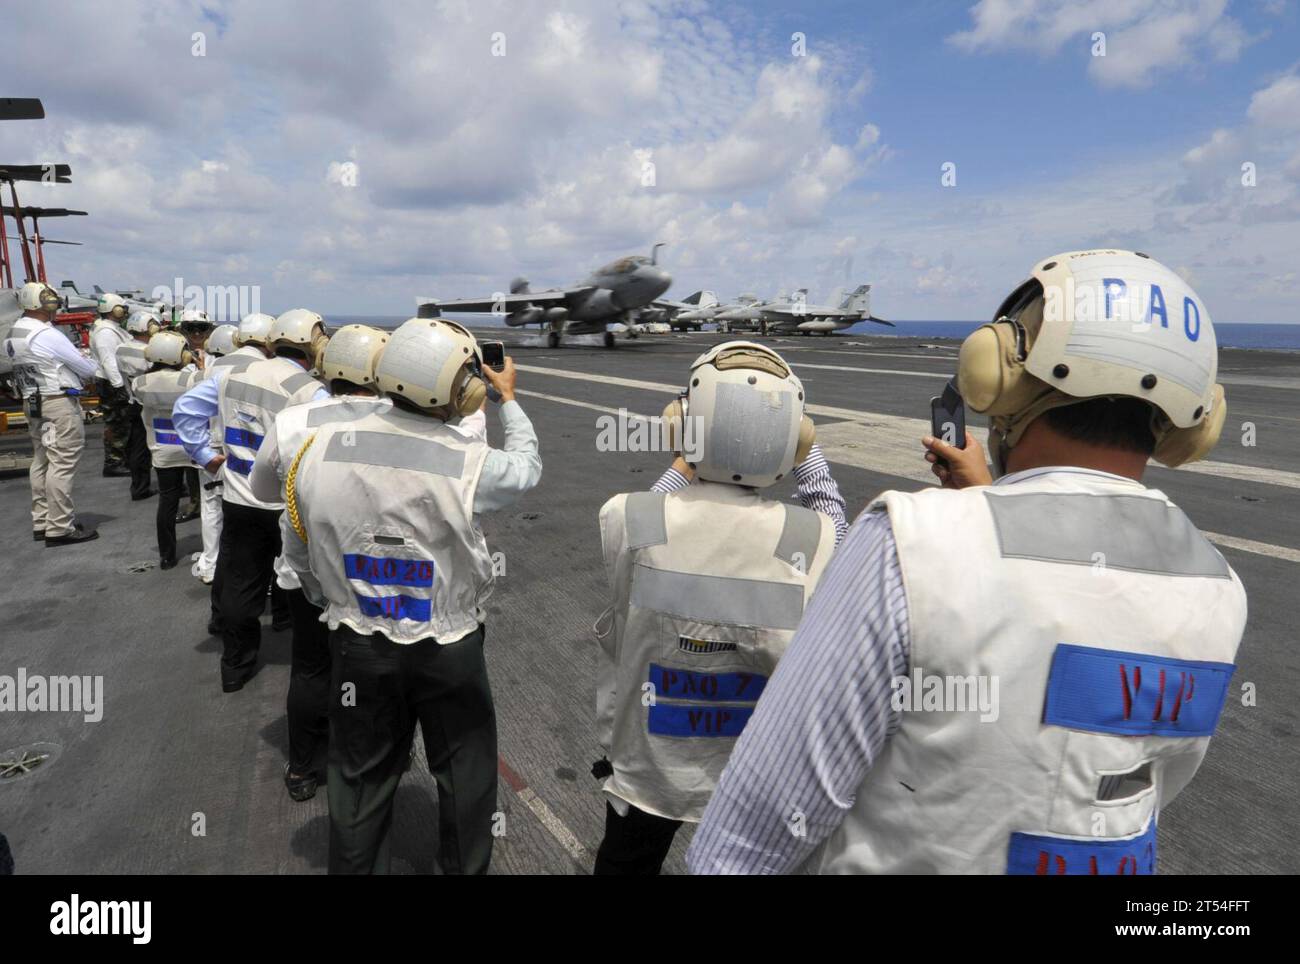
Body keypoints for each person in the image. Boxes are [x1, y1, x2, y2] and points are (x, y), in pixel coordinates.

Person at [687, 250, 1249, 875]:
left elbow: (763, 819)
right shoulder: (1220, 585)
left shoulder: (911, 541)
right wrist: (983, 504)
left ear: (1000, 371)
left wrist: (969, 515)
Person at [284, 317, 540, 874]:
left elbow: (297, 548)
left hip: (356, 644)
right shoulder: (467, 460)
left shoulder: (314, 448)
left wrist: (338, 605)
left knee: (357, 775)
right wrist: (508, 399)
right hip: (448, 648)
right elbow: (526, 470)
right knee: (466, 769)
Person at [593, 341, 845, 875]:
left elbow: (651, 505)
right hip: (750, 765)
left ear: (685, 427)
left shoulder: (629, 519)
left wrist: (684, 463)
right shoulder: (813, 537)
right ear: (791, 443)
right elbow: (829, 510)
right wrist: (807, 450)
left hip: (649, 760)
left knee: (626, 862)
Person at [248, 323, 392, 803]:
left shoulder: (294, 421)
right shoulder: (399, 423)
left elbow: (263, 490)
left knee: (310, 670)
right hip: (371, 577)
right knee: (373, 675)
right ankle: (370, 760)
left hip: (305, 572)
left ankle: (304, 768)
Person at [173, 309, 327, 692]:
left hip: (239, 499)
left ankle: (235, 668)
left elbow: (185, 411)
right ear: (313, 344)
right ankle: (306, 664)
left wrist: (207, 458)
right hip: (288, 507)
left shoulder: (229, 374)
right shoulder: (310, 389)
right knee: (305, 586)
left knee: (241, 587)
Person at [3, 281, 99, 545]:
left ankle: (42, 521)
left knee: (43, 459)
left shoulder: (14, 333)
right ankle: (59, 528)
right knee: (62, 463)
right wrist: (94, 361)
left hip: (34, 404)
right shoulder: (47, 333)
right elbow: (87, 369)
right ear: (41, 303)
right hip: (57, 404)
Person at [188, 316, 273, 586]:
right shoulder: (263, 369)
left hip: (211, 448)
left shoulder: (202, 372)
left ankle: (211, 564)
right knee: (255, 507)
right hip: (246, 447)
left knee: (212, 506)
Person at [131, 331, 201, 569]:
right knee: (207, 500)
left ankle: (167, 555)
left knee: (167, 501)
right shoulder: (190, 380)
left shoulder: (139, 383)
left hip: (162, 449)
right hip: (192, 447)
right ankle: (212, 551)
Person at [115, 310, 162, 501]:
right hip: (152, 404)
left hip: (133, 401)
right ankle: (173, 484)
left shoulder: (120, 349)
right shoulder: (148, 352)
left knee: (138, 448)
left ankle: (139, 487)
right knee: (163, 446)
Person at [175, 308, 215, 525]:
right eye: (191, 329)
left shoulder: (218, 355)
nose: (197, 334)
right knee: (191, 465)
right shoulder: (174, 356)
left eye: (201, 329)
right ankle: (194, 502)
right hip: (189, 418)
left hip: (213, 419)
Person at [88, 292, 133, 477]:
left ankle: (122, 459)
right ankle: (114, 463)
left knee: (122, 422)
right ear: (115, 309)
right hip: (111, 383)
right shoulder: (106, 332)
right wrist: (118, 386)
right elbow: (109, 361)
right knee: (116, 423)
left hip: (114, 381)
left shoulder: (110, 328)